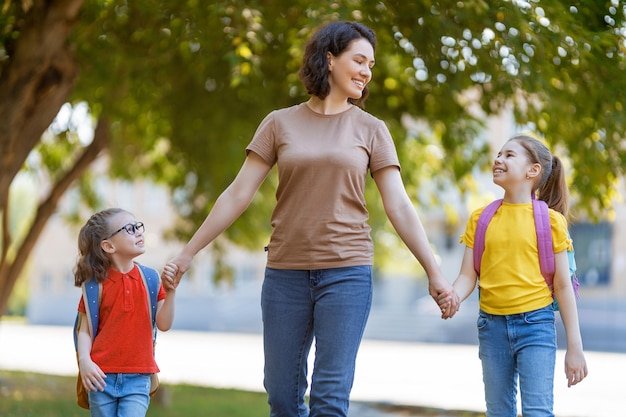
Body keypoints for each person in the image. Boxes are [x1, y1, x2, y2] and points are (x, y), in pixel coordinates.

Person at [162, 20, 458, 417]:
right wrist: (188, 253)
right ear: (330, 59)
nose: (367, 71)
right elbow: (238, 193)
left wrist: (433, 271)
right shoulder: (279, 123)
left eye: (371, 64)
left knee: (329, 397)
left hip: (347, 272)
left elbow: (399, 205)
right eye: (358, 60)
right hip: (286, 273)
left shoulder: (372, 129)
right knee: (282, 396)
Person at [443, 135, 588, 416]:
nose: (498, 159)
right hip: (491, 327)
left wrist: (575, 347)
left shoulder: (551, 221)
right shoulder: (481, 218)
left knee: (537, 411)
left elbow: (562, 285)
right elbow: (467, 275)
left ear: (532, 171)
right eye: (498, 154)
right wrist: (453, 296)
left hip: (536, 325)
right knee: (498, 412)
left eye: (509, 155)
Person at [74, 208, 178, 416]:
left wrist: (171, 292)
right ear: (108, 245)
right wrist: (85, 362)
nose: (139, 232)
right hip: (100, 377)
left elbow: (164, 325)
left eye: (138, 227)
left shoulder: (151, 279)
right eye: (130, 229)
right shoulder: (95, 286)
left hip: (138, 378)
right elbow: (84, 331)